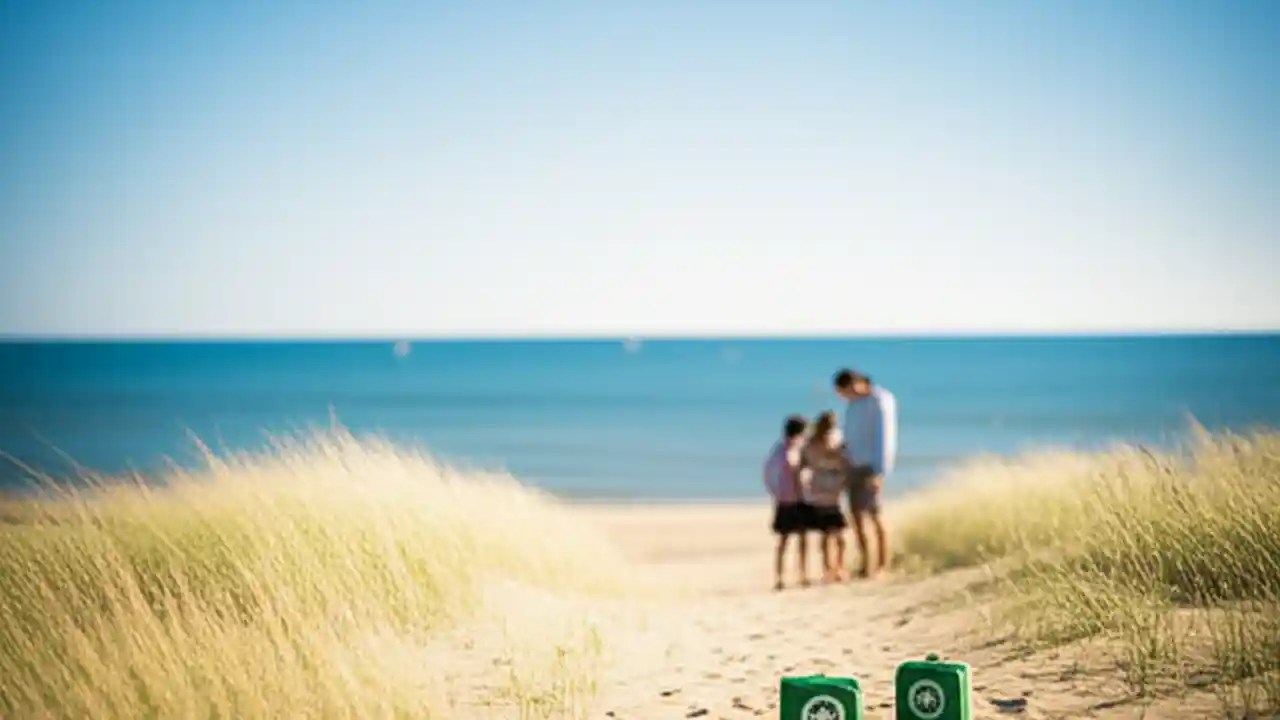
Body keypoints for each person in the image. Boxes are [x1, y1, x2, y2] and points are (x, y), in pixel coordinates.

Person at [834, 369, 897, 578]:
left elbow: (885, 437)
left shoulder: (880, 400)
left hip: (871, 466)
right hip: (853, 465)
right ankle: (865, 565)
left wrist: (880, 472)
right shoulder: (853, 405)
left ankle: (882, 565)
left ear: (858, 382)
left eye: (848, 390)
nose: (847, 396)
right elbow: (850, 435)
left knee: (874, 515)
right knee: (856, 516)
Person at [801, 411, 850, 582]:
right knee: (835, 535)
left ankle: (833, 568)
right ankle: (834, 568)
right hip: (827, 493)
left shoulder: (817, 443)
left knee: (832, 536)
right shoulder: (819, 444)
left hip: (826, 492)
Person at [763, 414, 810, 590]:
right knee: (784, 539)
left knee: (802, 538)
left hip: (800, 498)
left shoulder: (801, 448)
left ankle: (803, 574)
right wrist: (776, 492)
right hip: (786, 499)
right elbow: (768, 473)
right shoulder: (781, 450)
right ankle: (780, 577)